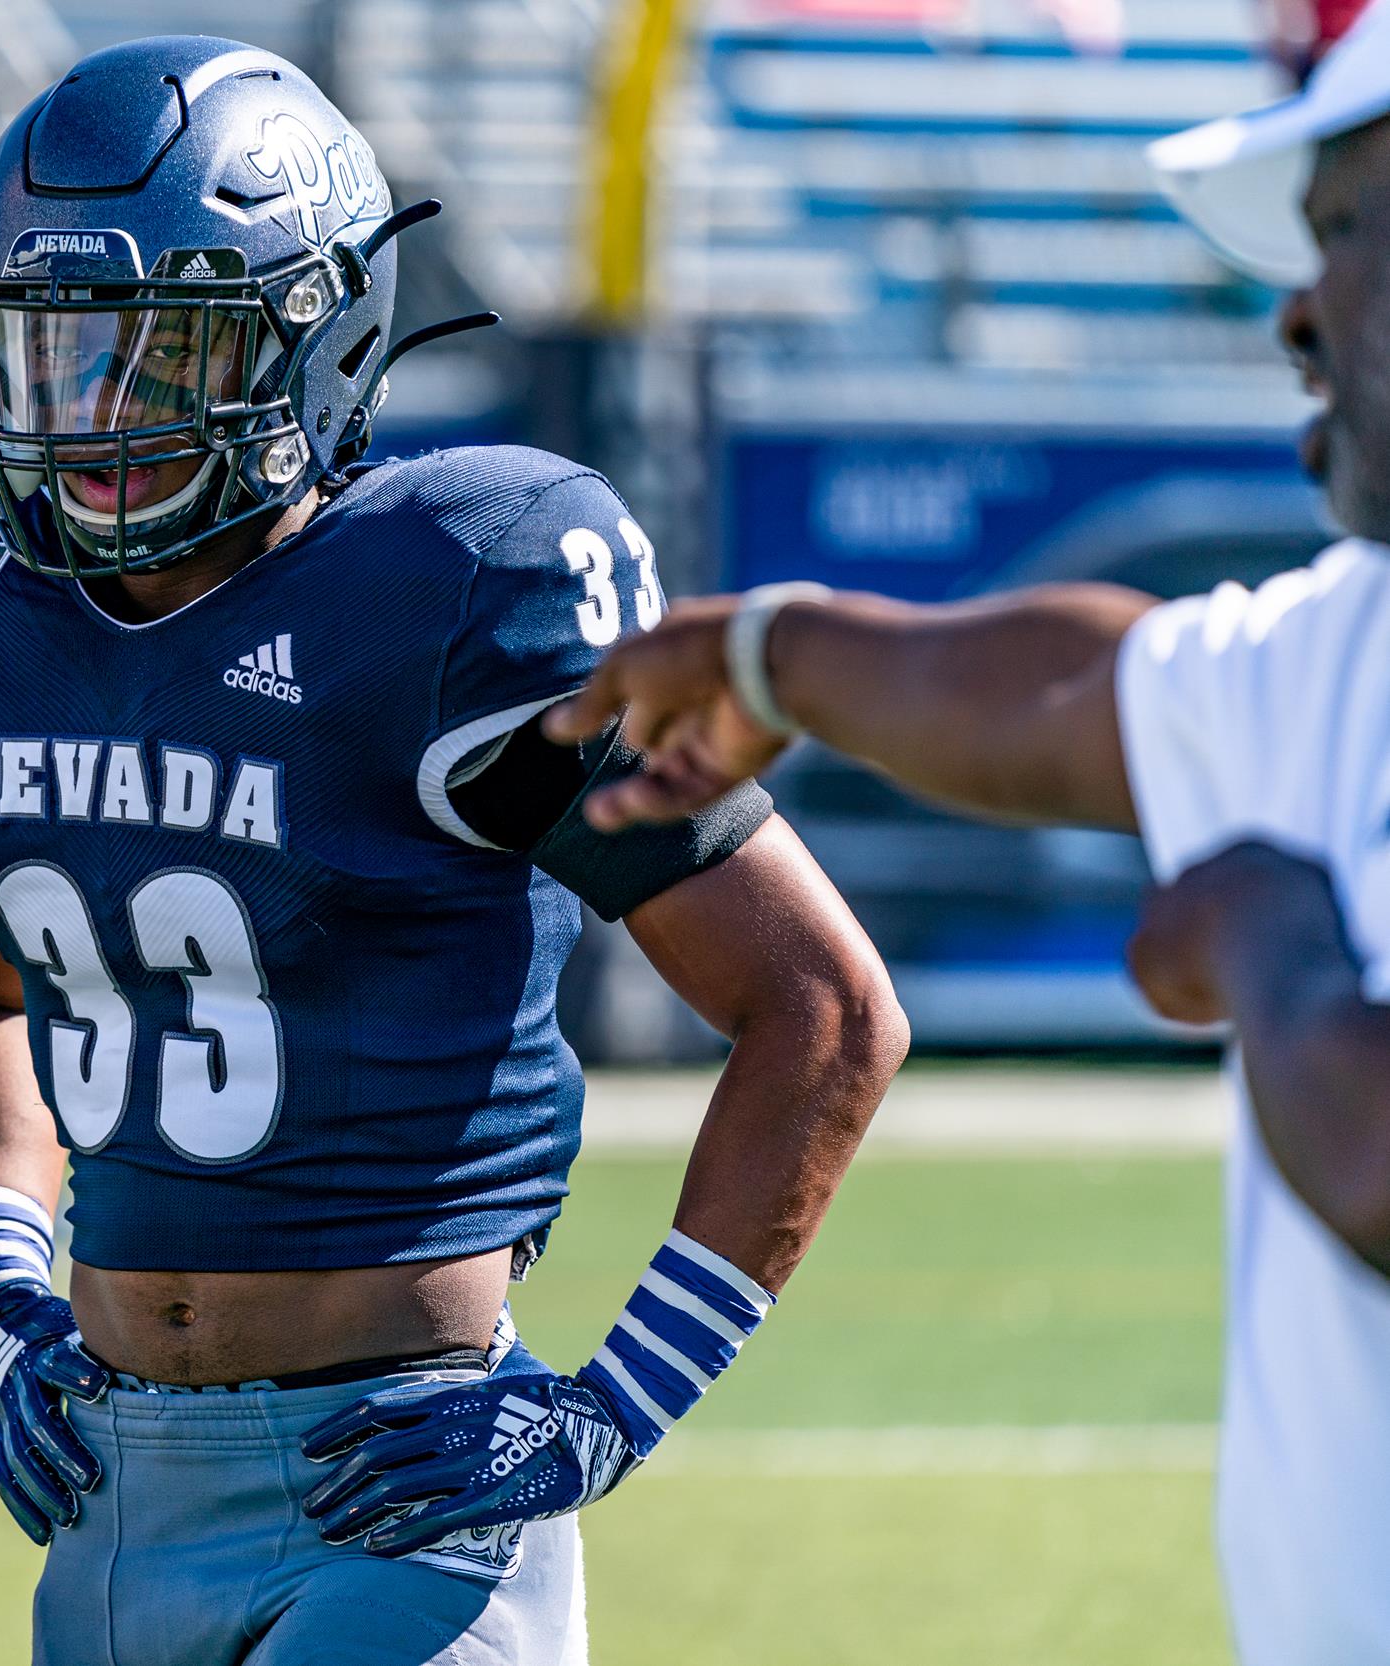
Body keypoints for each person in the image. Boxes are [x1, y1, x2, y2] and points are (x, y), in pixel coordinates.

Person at [0, 35, 909, 1665]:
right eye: (49, 354)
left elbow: (824, 1008)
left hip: (403, 1488)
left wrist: (613, 1406)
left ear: (315, 340)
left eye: (160, 359)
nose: (89, 418)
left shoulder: (458, 581)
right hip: (111, 1494)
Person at [540, 13, 1390, 1662]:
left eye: (1346, 230)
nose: (1295, 306)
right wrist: (773, 651)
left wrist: (1263, 926)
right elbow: (1078, 685)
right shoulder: (1350, 626)